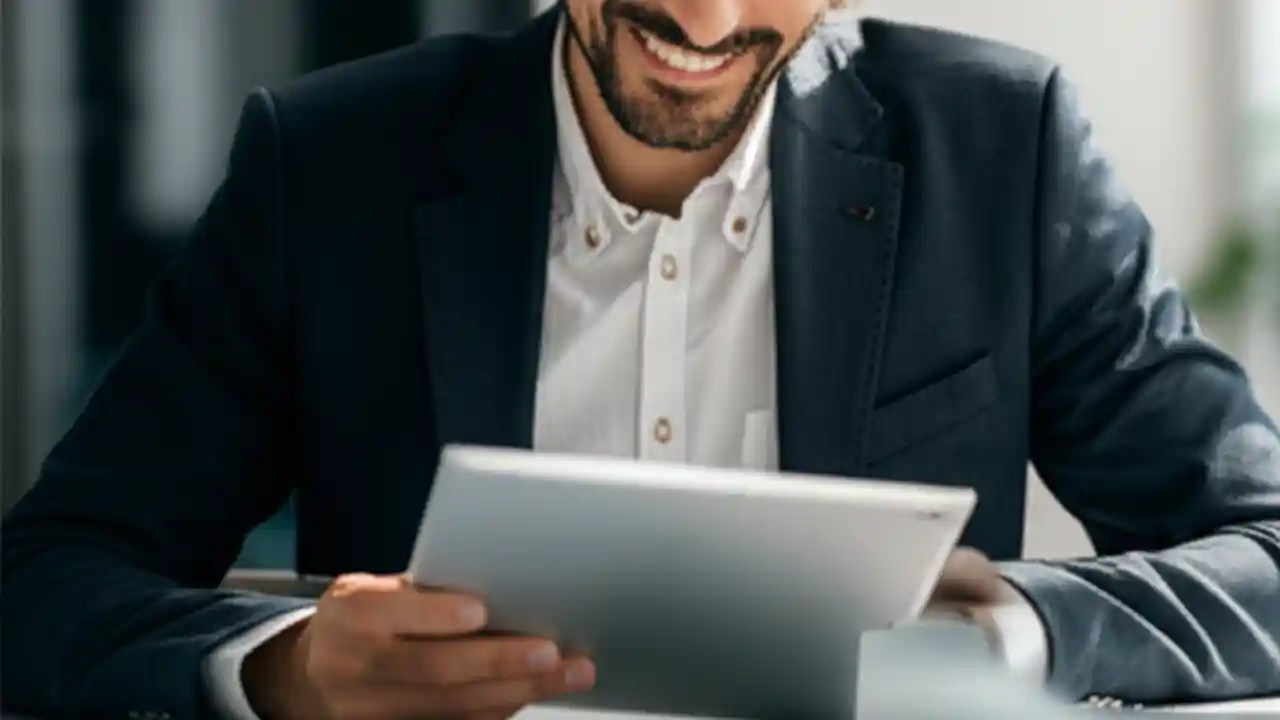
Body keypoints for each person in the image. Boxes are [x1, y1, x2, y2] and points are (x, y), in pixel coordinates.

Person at [4, 0, 1279, 718]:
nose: (704, 15)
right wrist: (278, 671)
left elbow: (1264, 551)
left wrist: (1015, 633)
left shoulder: (1003, 149)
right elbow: (45, 580)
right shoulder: (331, 164)